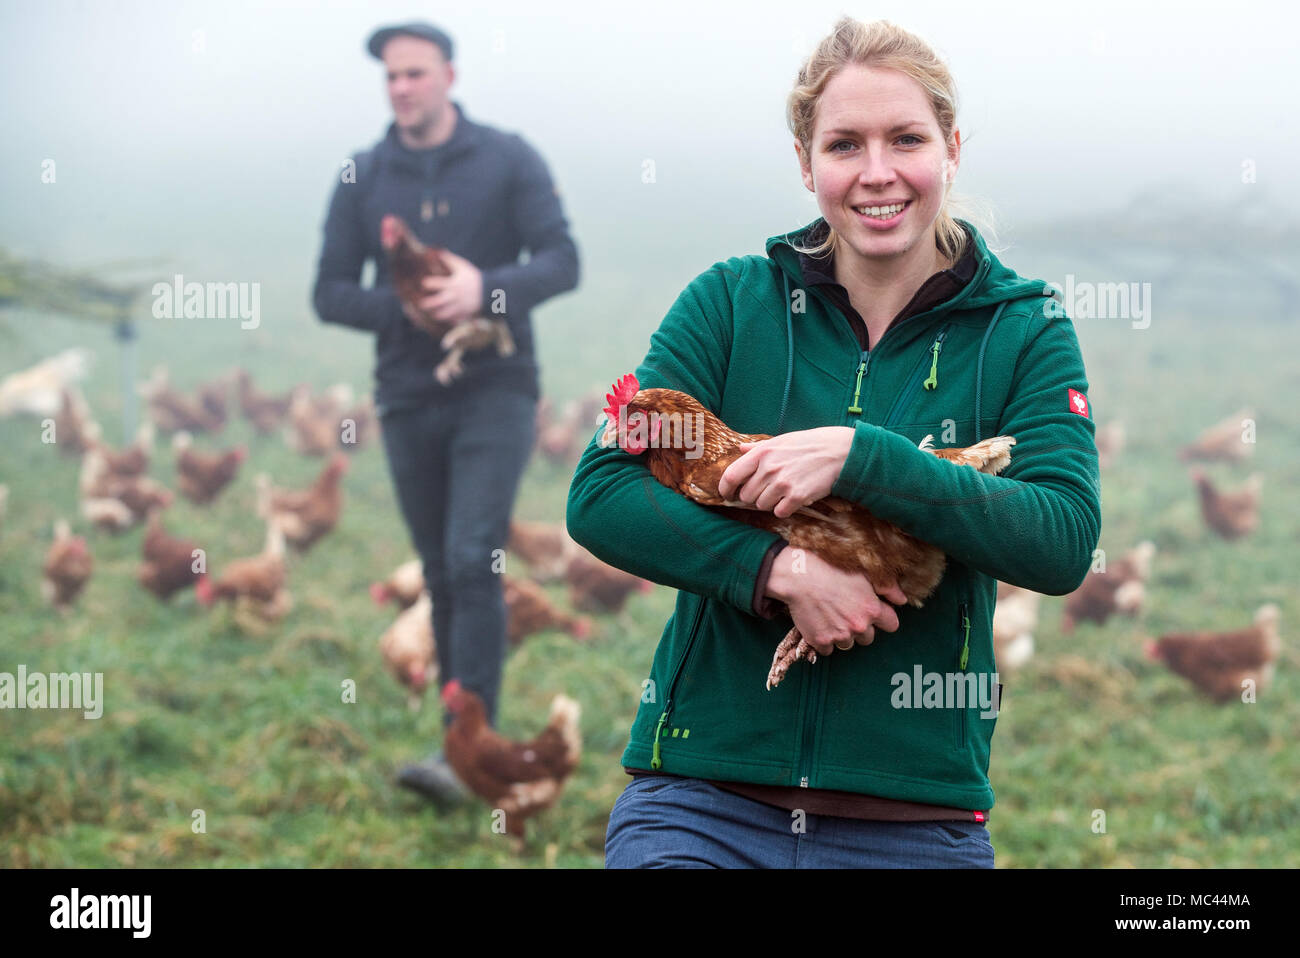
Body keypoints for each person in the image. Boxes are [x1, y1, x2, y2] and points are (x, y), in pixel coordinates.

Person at [565, 17, 1100, 868]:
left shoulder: (1023, 327)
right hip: (700, 798)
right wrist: (778, 574)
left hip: (915, 822)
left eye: (906, 139)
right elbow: (600, 494)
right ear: (805, 162)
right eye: (844, 144)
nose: (877, 173)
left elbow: (1064, 540)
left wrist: (866, 458)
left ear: (952, 149)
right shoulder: (731, 303)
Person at [313, 21, 580, 804]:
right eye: (391, 76)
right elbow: (327, 291)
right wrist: (411, 304)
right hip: (405, 394)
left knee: (474, 560)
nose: (402, 88)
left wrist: (483, 291)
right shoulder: (361, 176)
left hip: (497, 388)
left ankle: (470, 752)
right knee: (437, 571)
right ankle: (462, 747)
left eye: (416, 74)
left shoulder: (507, 158)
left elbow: (564, 258)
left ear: (449, 75)